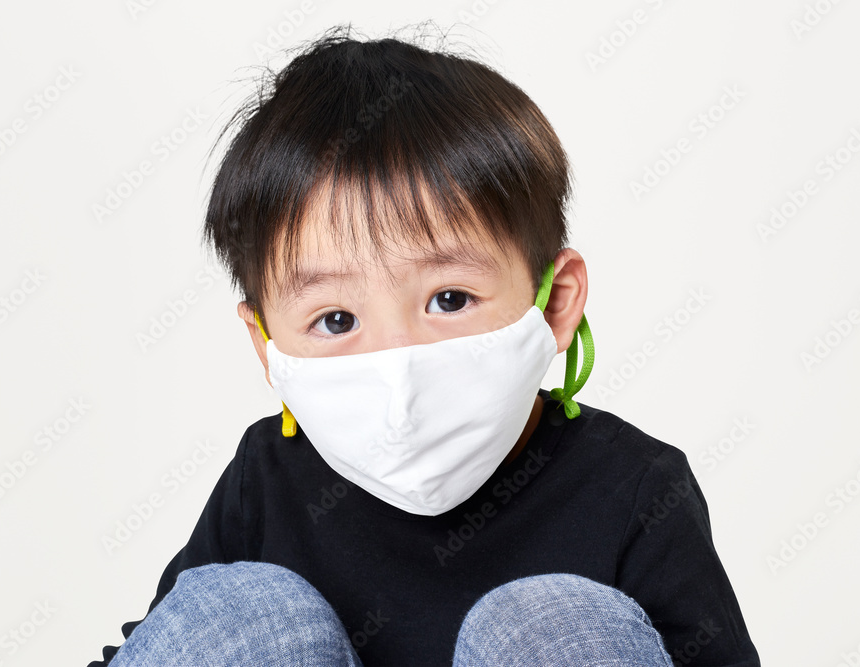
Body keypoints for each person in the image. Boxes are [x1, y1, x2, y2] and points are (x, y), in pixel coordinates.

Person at [90, 23, 761, 667]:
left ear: (555, 303)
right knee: (245, 616)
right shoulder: (267, 480)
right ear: (265, 344)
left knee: (547, 626)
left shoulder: (635, 486)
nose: (397, 362)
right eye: (335, 319)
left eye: (449, 299)